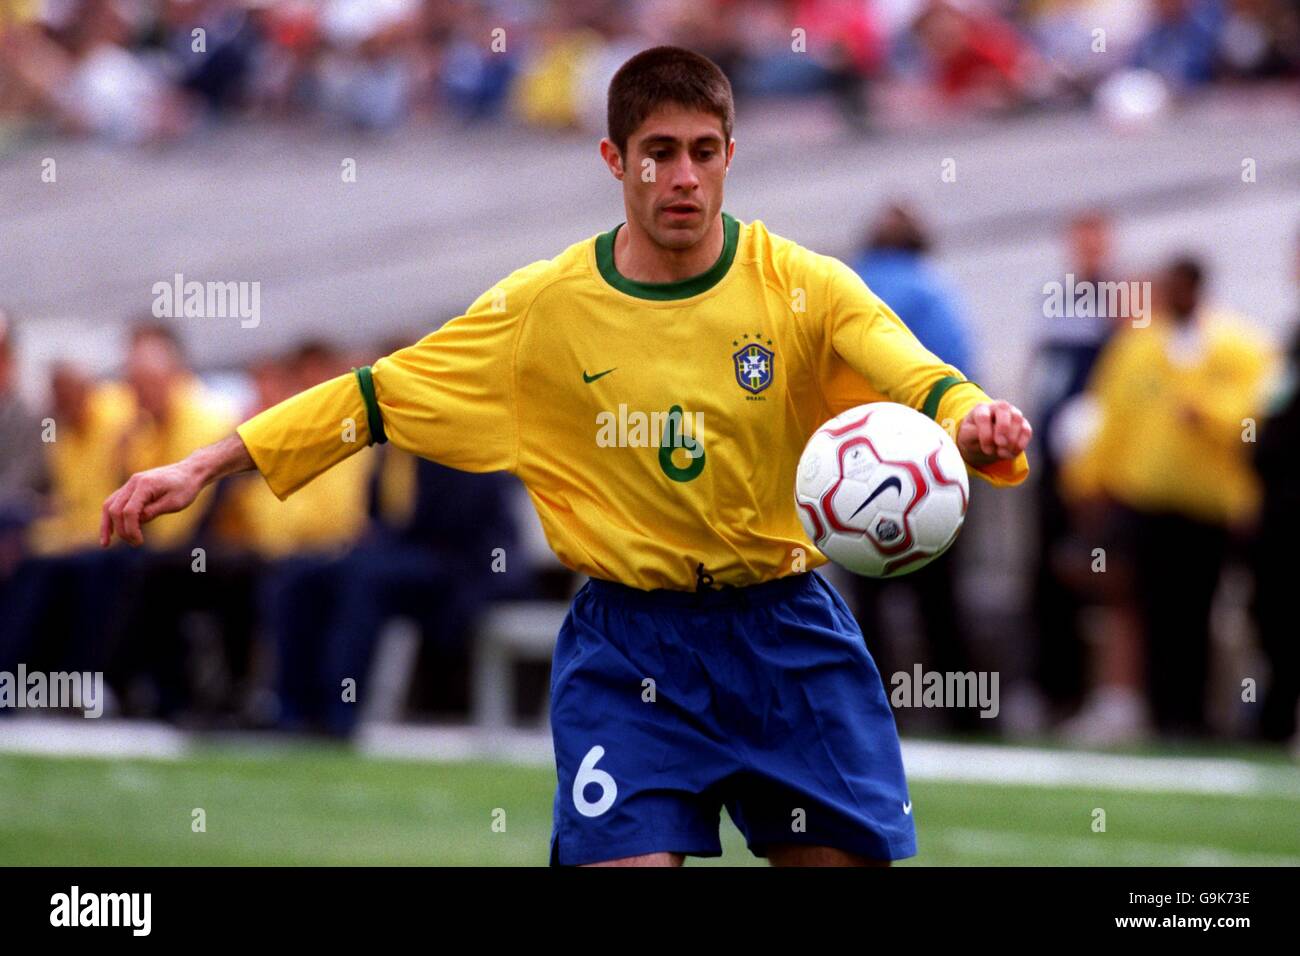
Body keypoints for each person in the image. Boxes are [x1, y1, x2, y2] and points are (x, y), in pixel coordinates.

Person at [101, 46, 1032, 867]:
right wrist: (202, 465)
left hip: (785, 633)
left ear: (730, 159)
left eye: (703, 153)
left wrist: (973, 417)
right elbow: (374, 398)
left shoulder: (802, 287)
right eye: (659, 153)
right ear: (615, 160)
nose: (683, 178)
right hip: (630, 651)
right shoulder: (542, 309)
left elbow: (911, 371)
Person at [1061, 255, 1275, 738]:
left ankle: (1193, 716)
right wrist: (1087, 480)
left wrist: (1209, 414)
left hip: (1208, 504)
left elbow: (1256, 413)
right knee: (1151, 606)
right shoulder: (1138, 347)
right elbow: (1112, 417)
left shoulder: (1238, 344)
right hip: (1147, 500)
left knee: (1197, 608)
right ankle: (1159, 713)